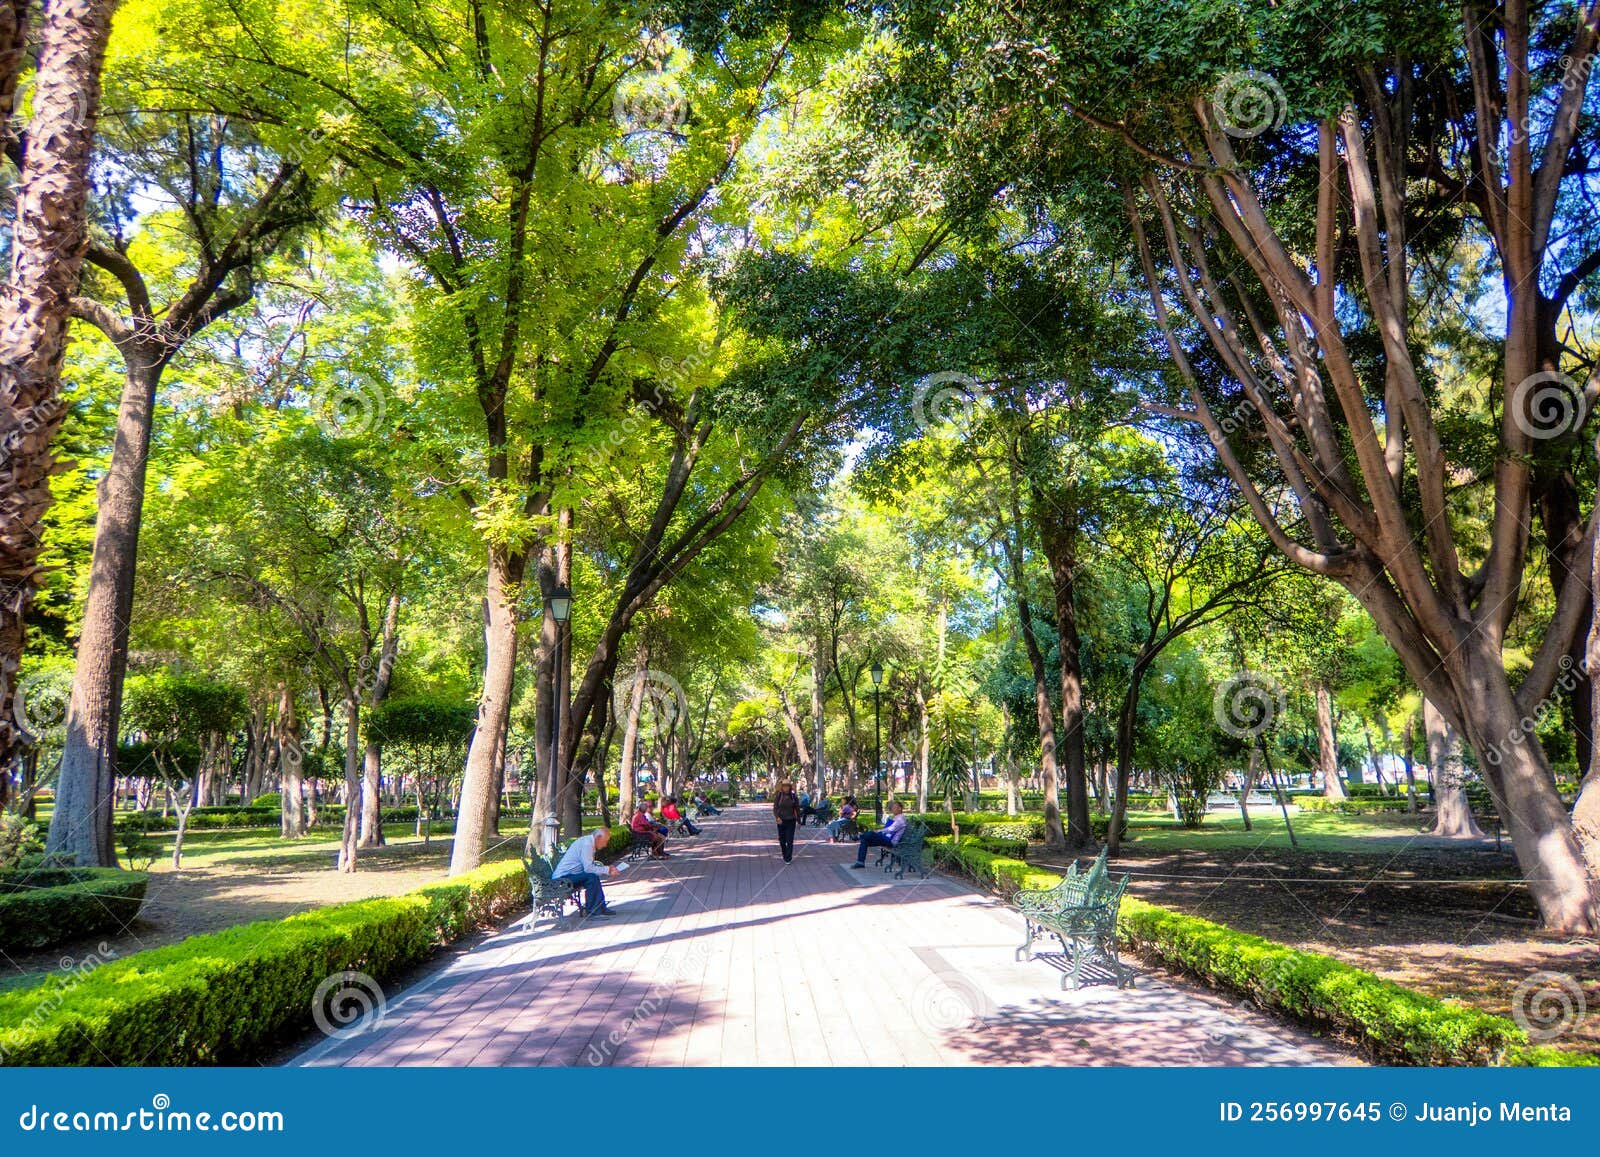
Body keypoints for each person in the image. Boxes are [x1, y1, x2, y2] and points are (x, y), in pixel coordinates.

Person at [551, 826, 619, 916]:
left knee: (593, 877)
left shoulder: (588, 842)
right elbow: (588, 868)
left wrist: (607, 868)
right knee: (591, 877)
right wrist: (607, 870)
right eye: (605, 841)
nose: (605, 845)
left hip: (569, 876)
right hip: (562, 879)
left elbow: (589, 866)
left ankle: (600, 908)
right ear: (598, 838)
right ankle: (593, 910)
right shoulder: (587, 844)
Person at [850, 801, 907, 868]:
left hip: (891, 841)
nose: (892, 809)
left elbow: (891, 829)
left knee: (871, 834)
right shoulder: (897, 817)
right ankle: (860, 862)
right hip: (886, 838)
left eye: (894, 808)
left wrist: (879, 831)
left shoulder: (900, 819)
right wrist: (880, 831)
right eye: (892, 808)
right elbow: (889, 829)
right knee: (865, 840)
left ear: (900, 808)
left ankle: (859, 836)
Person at [772, 779, 802, 863]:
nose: (786, 788)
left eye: (787, 786)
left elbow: (797, 809)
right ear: (782, 787)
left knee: (789, 840)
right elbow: (775, 808)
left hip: (791, 820)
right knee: (782, 840)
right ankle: (784, 853)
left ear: (790, 787)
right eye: (784, 786)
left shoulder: (793, 796)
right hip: (781, 821)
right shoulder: (779, 796)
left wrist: (799, 821)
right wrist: (777, 817)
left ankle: (788, 858)